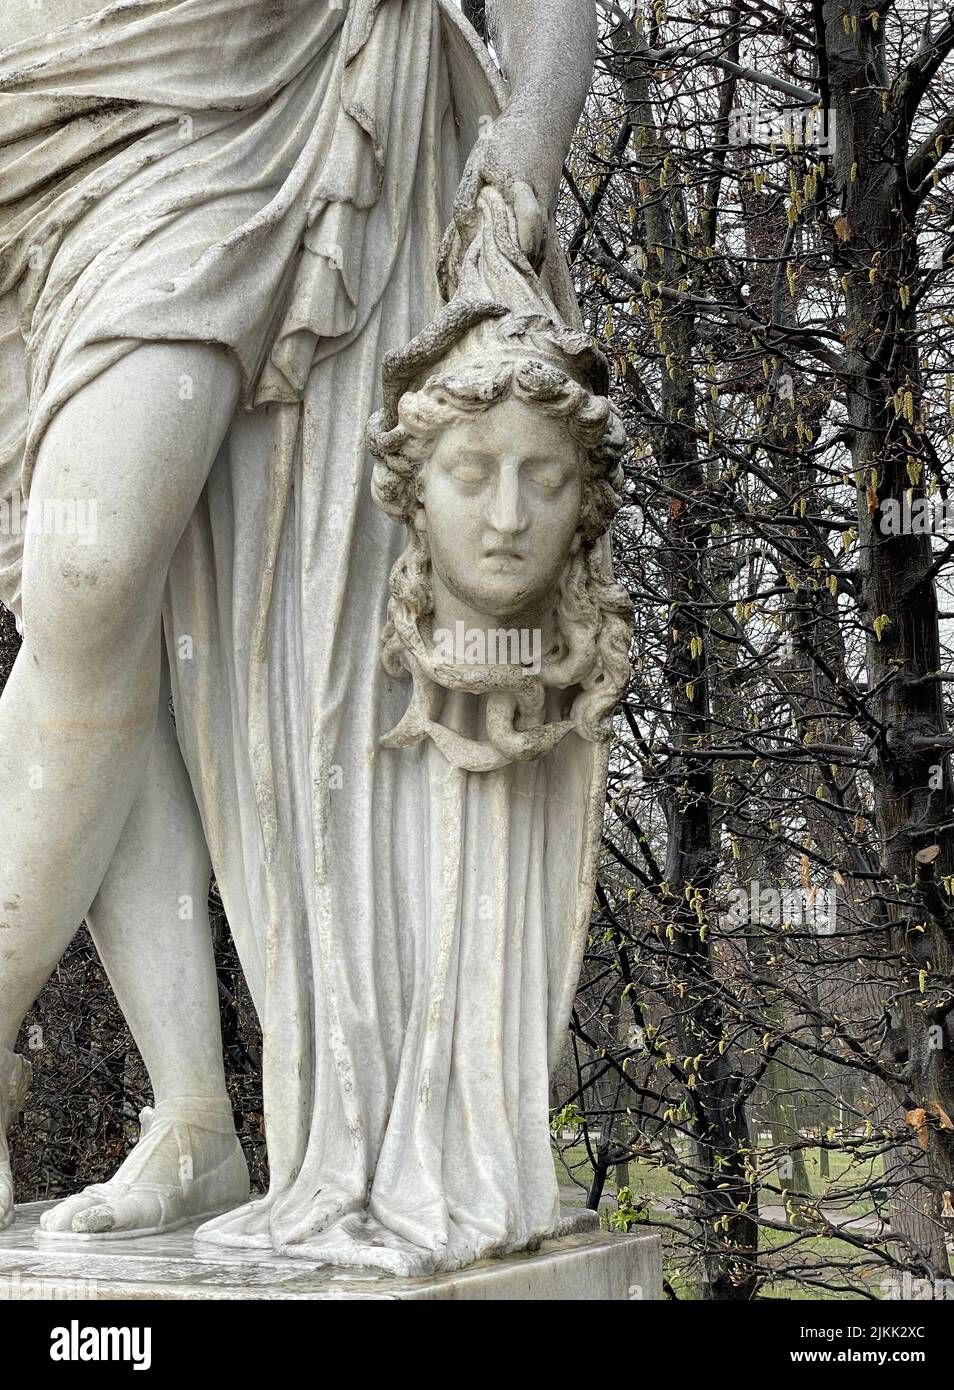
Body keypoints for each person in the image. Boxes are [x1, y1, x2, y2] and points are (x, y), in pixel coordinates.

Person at [0, 0, 598, 1261]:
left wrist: (533, 126)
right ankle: (191, 1116)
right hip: (33, 101)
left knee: (90, 566)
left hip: (243, 90)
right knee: (118, 619)